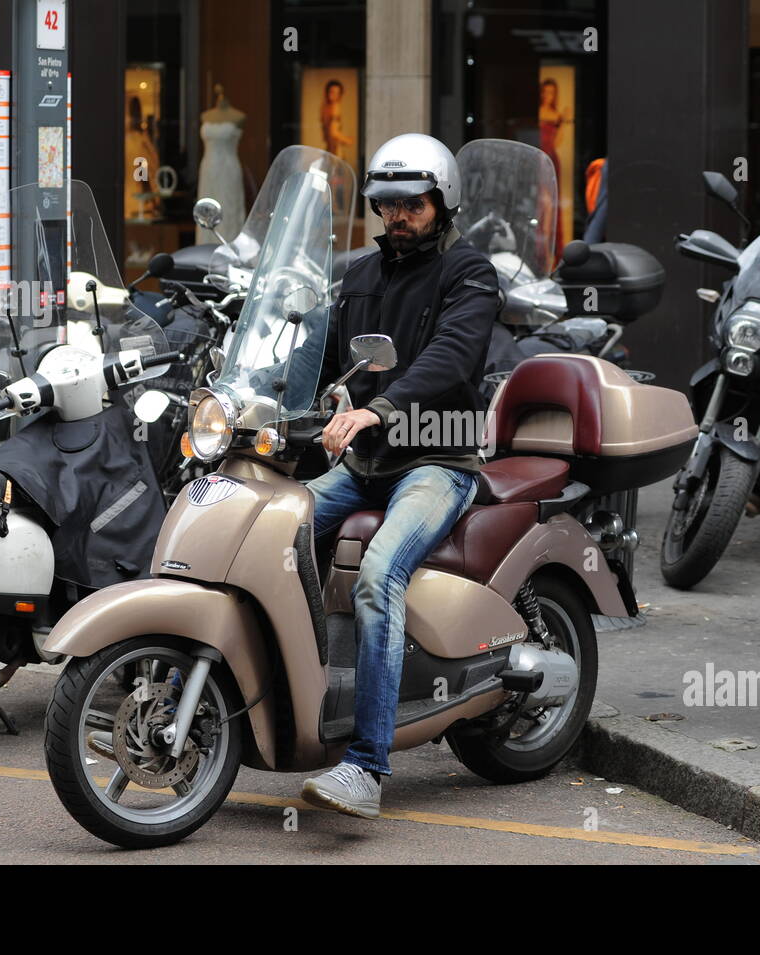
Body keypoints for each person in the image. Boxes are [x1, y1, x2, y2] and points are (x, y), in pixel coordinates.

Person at [300, 133, 501, 818]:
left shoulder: (469, 273)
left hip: (437, 462)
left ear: (441, 202)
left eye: (412, 203)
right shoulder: (357, 275)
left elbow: (452, 355)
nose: (397, 216)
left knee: (380, 572)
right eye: (387, 204)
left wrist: (379, 411)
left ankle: (364, 765)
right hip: (364, 463)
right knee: (273, 526)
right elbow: (320, 354)